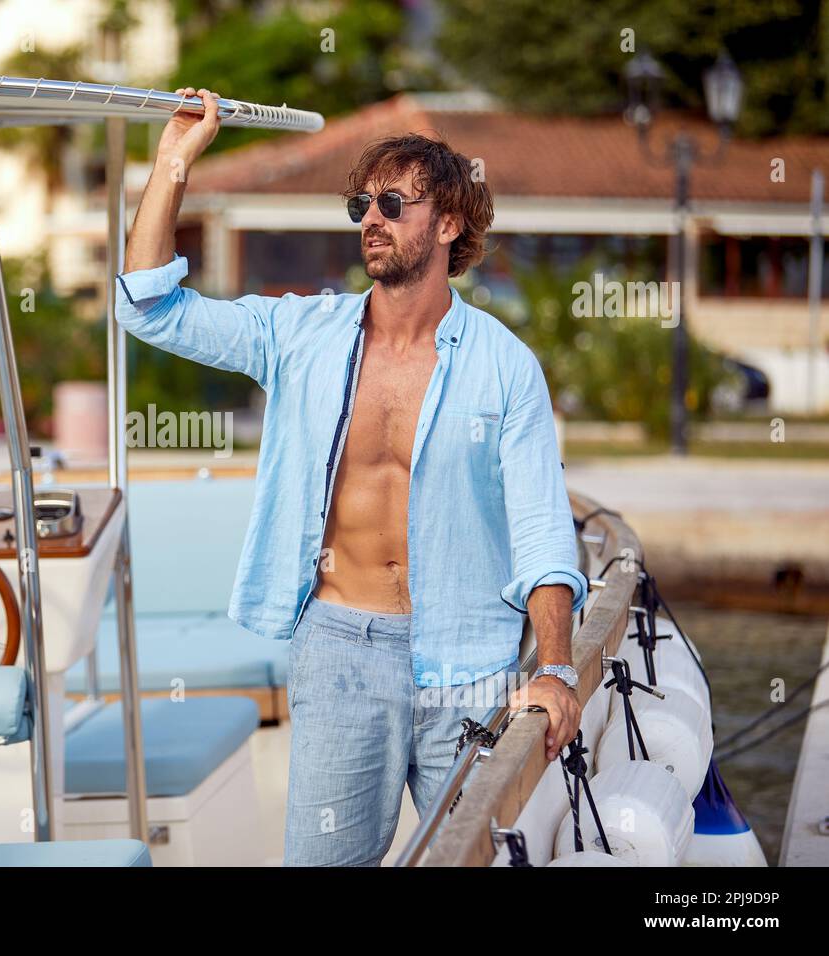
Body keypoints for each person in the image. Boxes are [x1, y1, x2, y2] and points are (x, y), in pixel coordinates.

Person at [115, 88, 588, 866]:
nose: (371, 217)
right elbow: (147, 306)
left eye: (394, 203)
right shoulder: (298, 332)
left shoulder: (505, 366)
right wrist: (174, 162)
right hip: (338, 648)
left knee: (474, 858)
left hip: (469, 659)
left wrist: (558, 667)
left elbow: (541, 525)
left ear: (448, 224)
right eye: (361, 204)